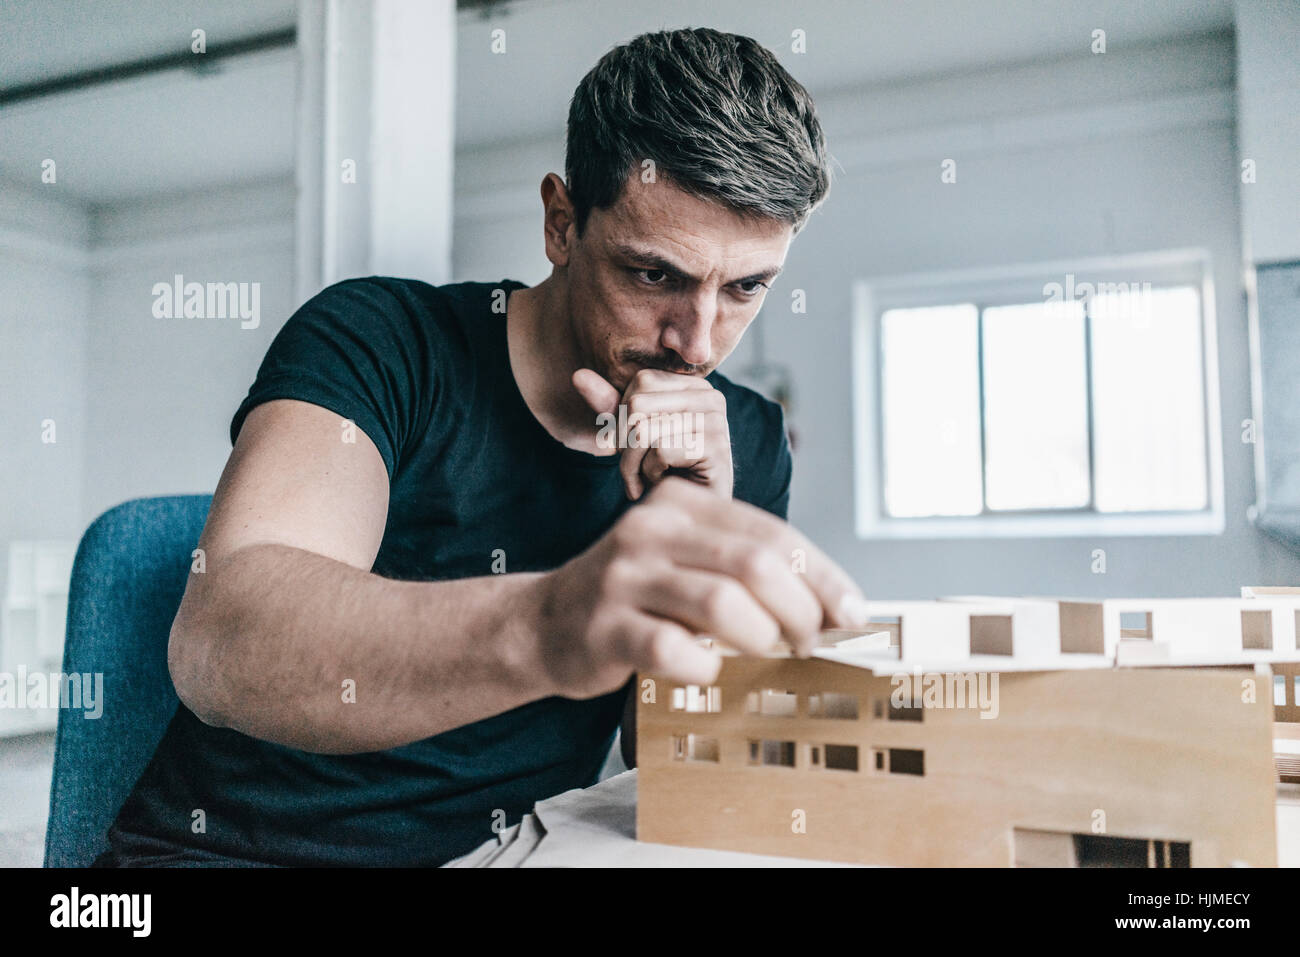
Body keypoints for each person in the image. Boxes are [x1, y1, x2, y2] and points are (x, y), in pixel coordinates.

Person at [94, 26, 871, 868]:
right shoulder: (384, 340)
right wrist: (549, 622)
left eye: (746, 286)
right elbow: (223, 643)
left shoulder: (743, 440)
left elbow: (668, 760)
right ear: (561, 223)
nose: (696, 340)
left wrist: (688, 517)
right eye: (653, 275)